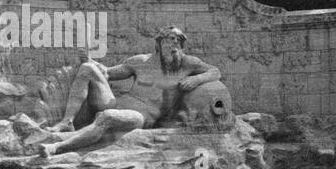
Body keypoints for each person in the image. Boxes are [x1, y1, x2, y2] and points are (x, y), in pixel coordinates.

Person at [40, 26, 221, 157]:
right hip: (117, 103)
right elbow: (107, 73)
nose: (174, 44)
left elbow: (215, 71)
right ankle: (67, 121)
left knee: (107, 117)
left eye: (178, 41)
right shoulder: (140, 61)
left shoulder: (187, 64)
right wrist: (89, 60)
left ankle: (57, 148)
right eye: (169, 39)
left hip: (141, 117)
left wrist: (196, 79)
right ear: (158, 44)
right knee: (88, 68)